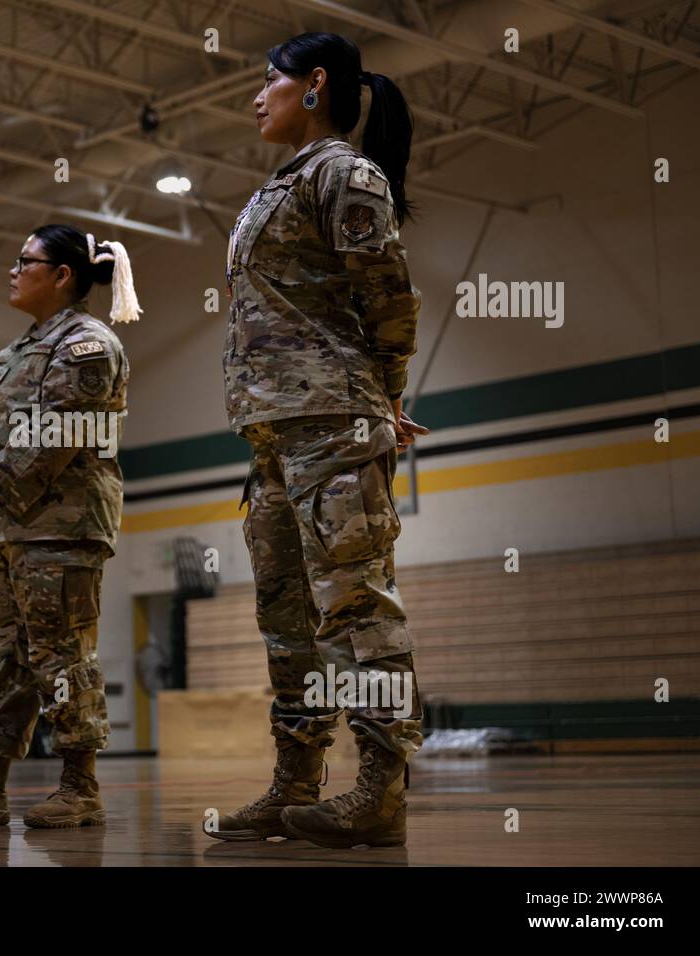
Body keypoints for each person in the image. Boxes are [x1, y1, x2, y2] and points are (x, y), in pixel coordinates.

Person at [204, 32, 431, 848]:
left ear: (316, 84)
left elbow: (390, 300)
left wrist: (387, 398)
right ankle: (296, 782)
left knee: (357, 611)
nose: (256, 97)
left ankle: (381, 787)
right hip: (273, 440)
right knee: (288, 621)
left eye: (269, 81)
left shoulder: (344, 172)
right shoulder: (277, 187)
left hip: (335, 427)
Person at [0, 224, 137, 829]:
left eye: (25, 261)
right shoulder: (13, 352)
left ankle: (80, 784)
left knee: (62, 658)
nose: (12, 271)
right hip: (5, 529)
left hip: (60, 528)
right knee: (1, 658)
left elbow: (65, 431)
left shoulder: (87, 345)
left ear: (62, 275)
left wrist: (0, 483)